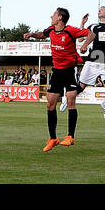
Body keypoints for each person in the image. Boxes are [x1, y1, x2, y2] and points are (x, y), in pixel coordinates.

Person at [23, 8, 90, 152]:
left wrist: (84, 45)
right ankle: (53, 139)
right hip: (57, 71)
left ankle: (70, 136)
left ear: (60, 17)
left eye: (53, 14)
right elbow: (42, 34)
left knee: (71, 98)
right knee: (50, 103)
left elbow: (91, 34)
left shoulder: (70, 30)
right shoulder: (51, 30)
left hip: (70, 69)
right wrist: (32, 34)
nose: (51, 16)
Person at [75, 5, 105, 122]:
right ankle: (67, 100)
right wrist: (82, 24)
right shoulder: (93, 26)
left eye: (102, 9)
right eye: (99, 9)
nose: (99, 10)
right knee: (81, 86)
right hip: (93, 61)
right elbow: (80, 39)